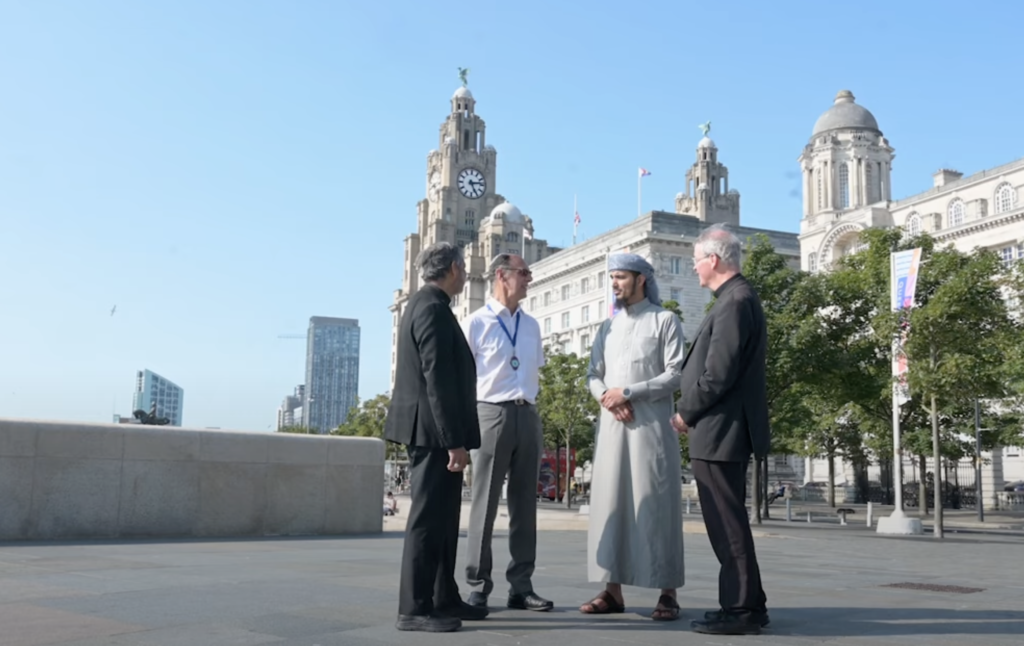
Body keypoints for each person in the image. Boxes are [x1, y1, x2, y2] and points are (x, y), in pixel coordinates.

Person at [670, 225, 770, 635]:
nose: (694, 270)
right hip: (722, 428)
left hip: (720, 429)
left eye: (695, 261)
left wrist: (685, 412)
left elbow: (718, 373)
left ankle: (742, 610)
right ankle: (745, 603)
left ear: (713, 260)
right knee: (727, 522)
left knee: (727, 524)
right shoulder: (735, 299)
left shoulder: (734, 302)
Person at [384, 241, 487, 633]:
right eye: (461, 268)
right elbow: (437, 381)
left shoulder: (429, 305)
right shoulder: (431, 309)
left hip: (433, 431)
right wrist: (452, 440)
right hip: (431, 434)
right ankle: (414, 607)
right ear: (455, 269)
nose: (463, 273)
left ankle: (443, 597)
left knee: (444, 519)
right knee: (427, 521)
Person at [581, 253, 686, 621]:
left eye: (621, 277)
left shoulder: (665, 320)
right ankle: (612, 591)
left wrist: (629, 392)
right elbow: (593, 375)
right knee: (611, 504)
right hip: (612, 428)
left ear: (641, 279)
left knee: (656, 504)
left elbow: (676, 374)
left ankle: (667, 592)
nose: (615, 284)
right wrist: (609, 399)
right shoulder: (606, 328)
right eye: (612, 278)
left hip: (651, 430)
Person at [461, 253, 553, 612]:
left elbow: (533, 370)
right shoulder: (476, 323)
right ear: (502, 275)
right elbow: (465, 377)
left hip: (527, 412)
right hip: (490, 412)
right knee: (484, 503)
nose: (529, 279)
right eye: (524, 273)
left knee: (525, 504)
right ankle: (478, 584)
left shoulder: (531, 326)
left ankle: (521, 586)